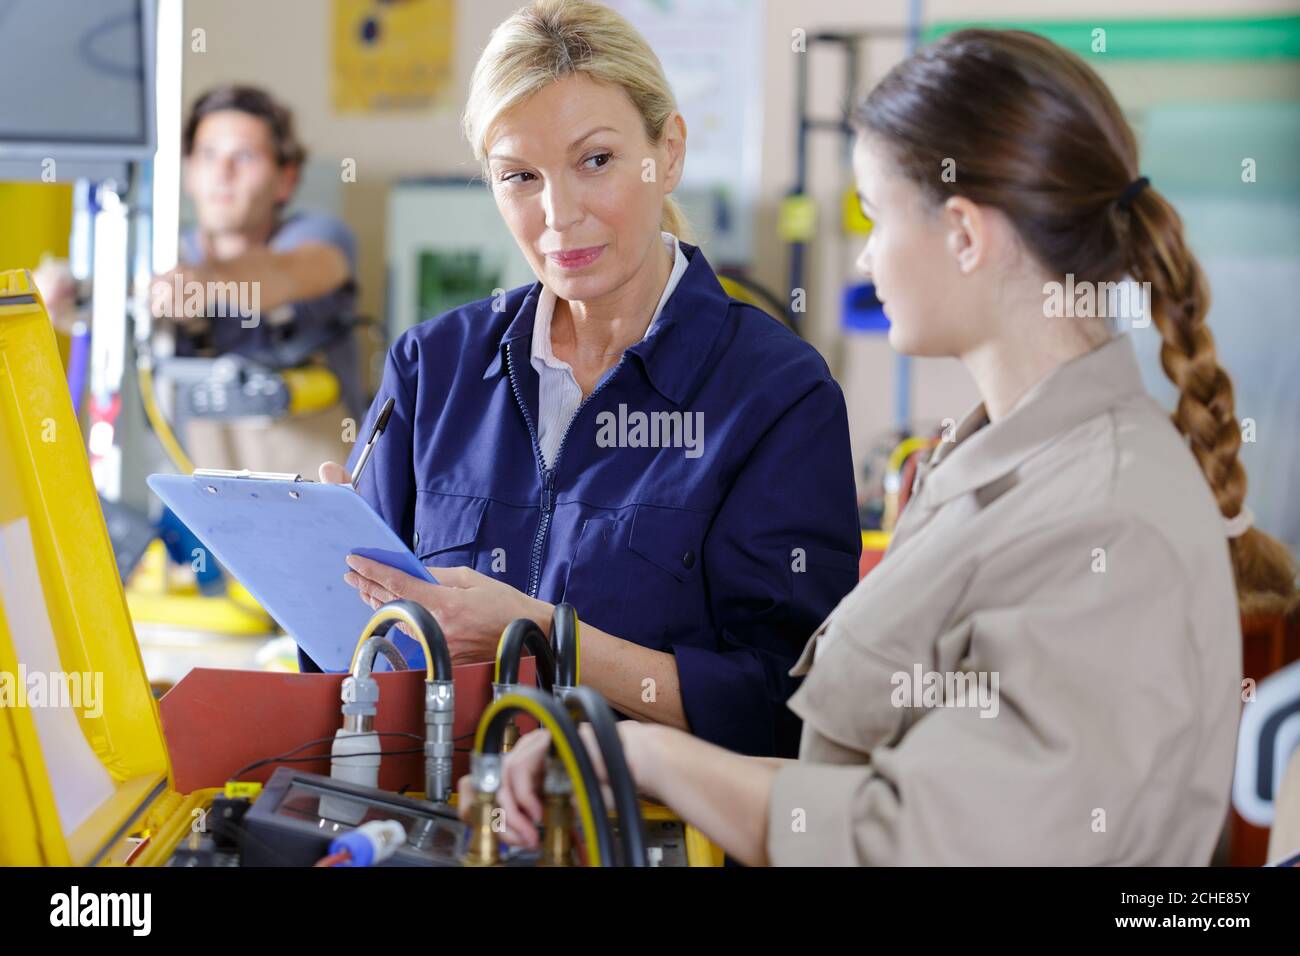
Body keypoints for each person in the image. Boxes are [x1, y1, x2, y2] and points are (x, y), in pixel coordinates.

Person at [467, 28, 1300, 864]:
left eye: (876, 214)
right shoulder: (990, 464)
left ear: (965, 235)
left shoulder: (1106, 521)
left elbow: (915, 843)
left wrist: (637, 752)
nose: (864, 255)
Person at [317, 0, 861, 758]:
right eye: (519, 176)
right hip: (444, 816)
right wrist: (322, 559)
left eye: (595, 161)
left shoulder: (775, 395)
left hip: (645, 830)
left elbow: (790, 709)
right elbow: (345, 664)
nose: (558, 215)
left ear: (667, 151)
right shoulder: (430, 367)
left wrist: (542, 636)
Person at [152, 85, 364, 474]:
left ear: (286, 179)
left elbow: (284, 273)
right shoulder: (160, 255)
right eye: (208, 154)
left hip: (318, 504)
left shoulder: (320, 238)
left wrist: (210, 279)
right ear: (188, 173)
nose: (222, 172)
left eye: (244, 156)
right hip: (200, 510)